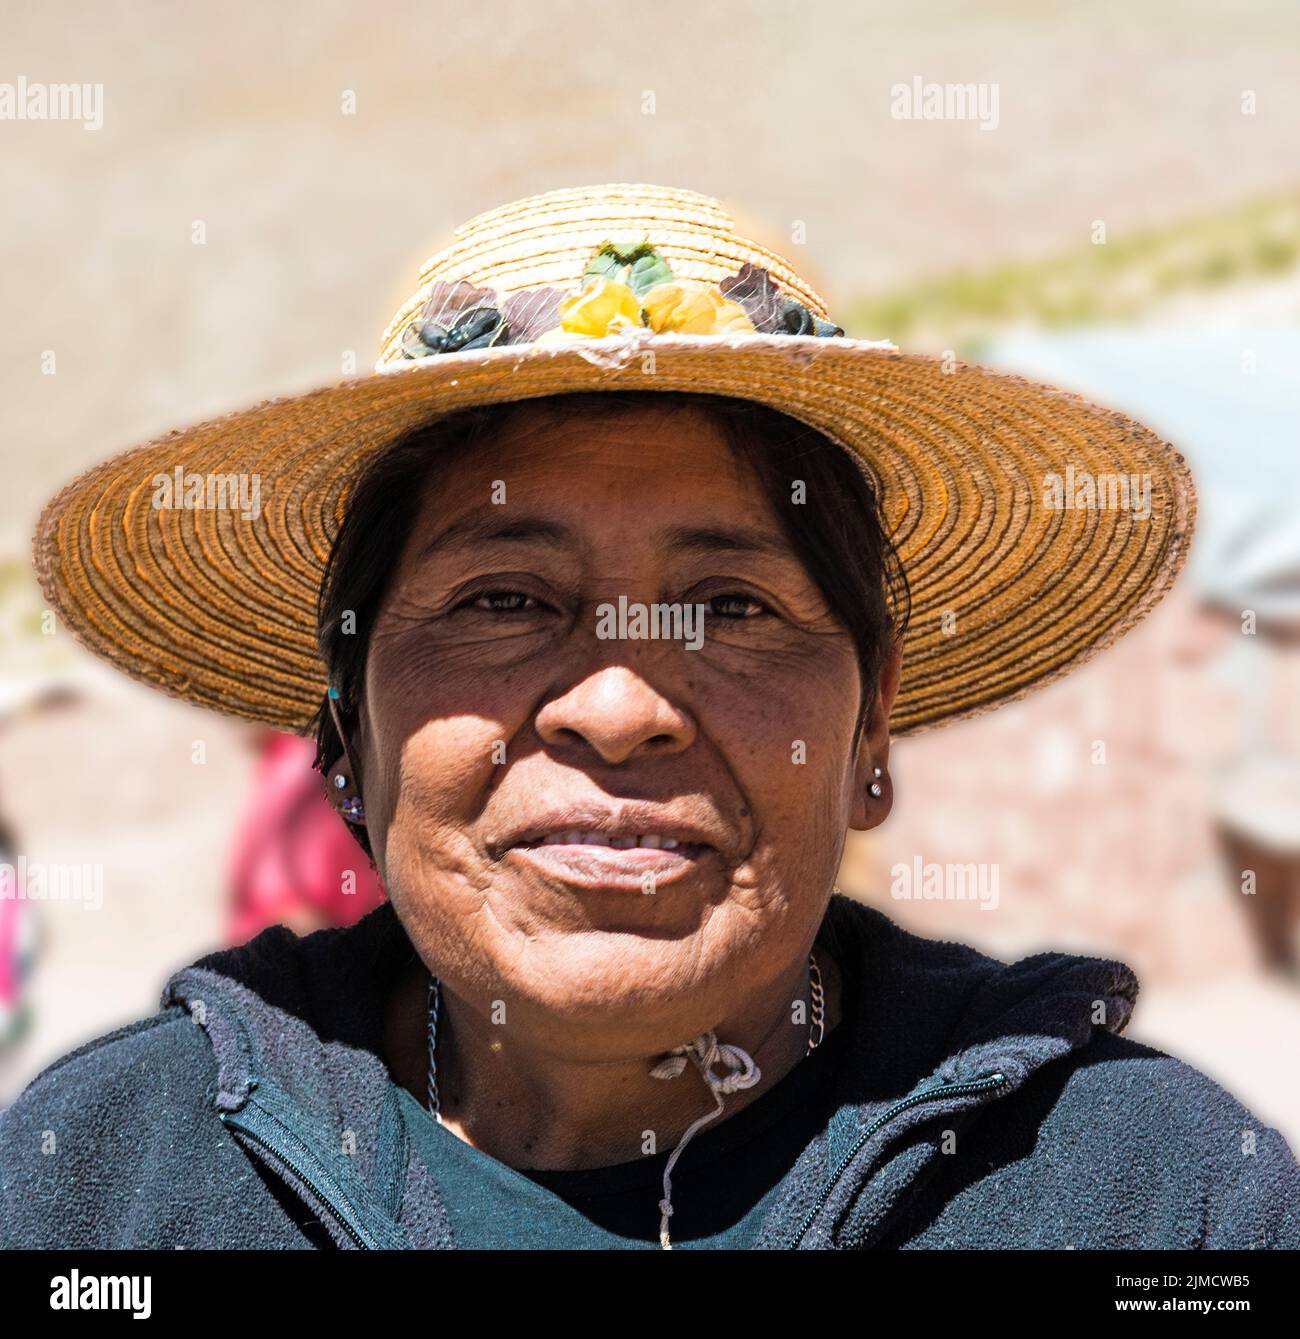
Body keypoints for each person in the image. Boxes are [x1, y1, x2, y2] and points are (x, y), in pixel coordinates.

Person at [3, 184, 1296, 1249]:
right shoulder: (108, 1187)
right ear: (344, 738)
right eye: (504, 599)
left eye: (732, 609)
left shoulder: (1151, 1198)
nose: (620, 710)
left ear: (871, 732)